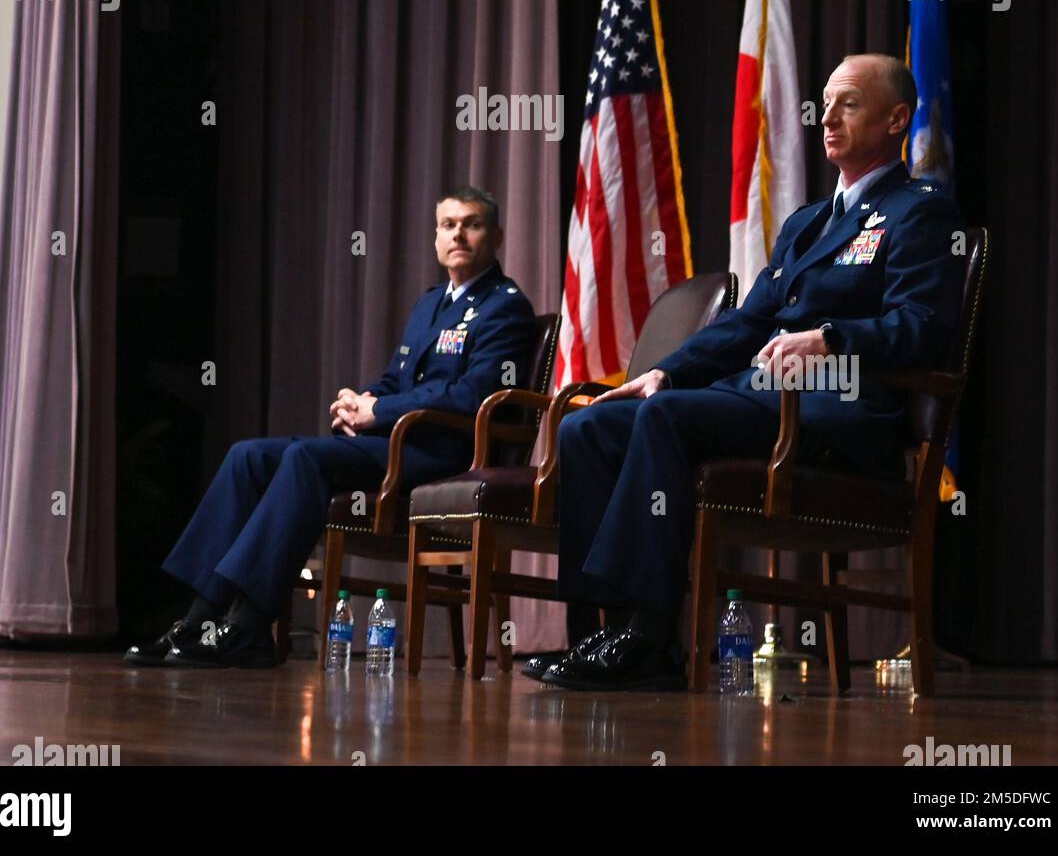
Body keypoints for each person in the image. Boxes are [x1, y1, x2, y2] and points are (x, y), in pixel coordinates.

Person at [541, 54, 965, 691]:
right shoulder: (807, 222)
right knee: (591, 429)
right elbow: (745, 324)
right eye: (825, 102)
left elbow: (923, 329)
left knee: (663, 421)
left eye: (848, 102)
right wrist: (667, 373)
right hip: (764, 398)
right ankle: (603, 628)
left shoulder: (920, 211)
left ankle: (651, 636)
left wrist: (829, 338)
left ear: (896, 119)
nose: (827, 117)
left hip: (839, 410)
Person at [124, 185, 535, 669]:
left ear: (498, 235)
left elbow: (471, 396)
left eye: (472, 224)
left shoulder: (504, 306)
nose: (459, 234)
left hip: (443, 452)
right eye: (448, 225)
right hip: (396, 441)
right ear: (436, 238)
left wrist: (378, 412)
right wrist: (359, 399)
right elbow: (395, 376)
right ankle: (197, 619)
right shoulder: (431, 304)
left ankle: (249, 624)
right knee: (248, 455)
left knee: (305, 458)